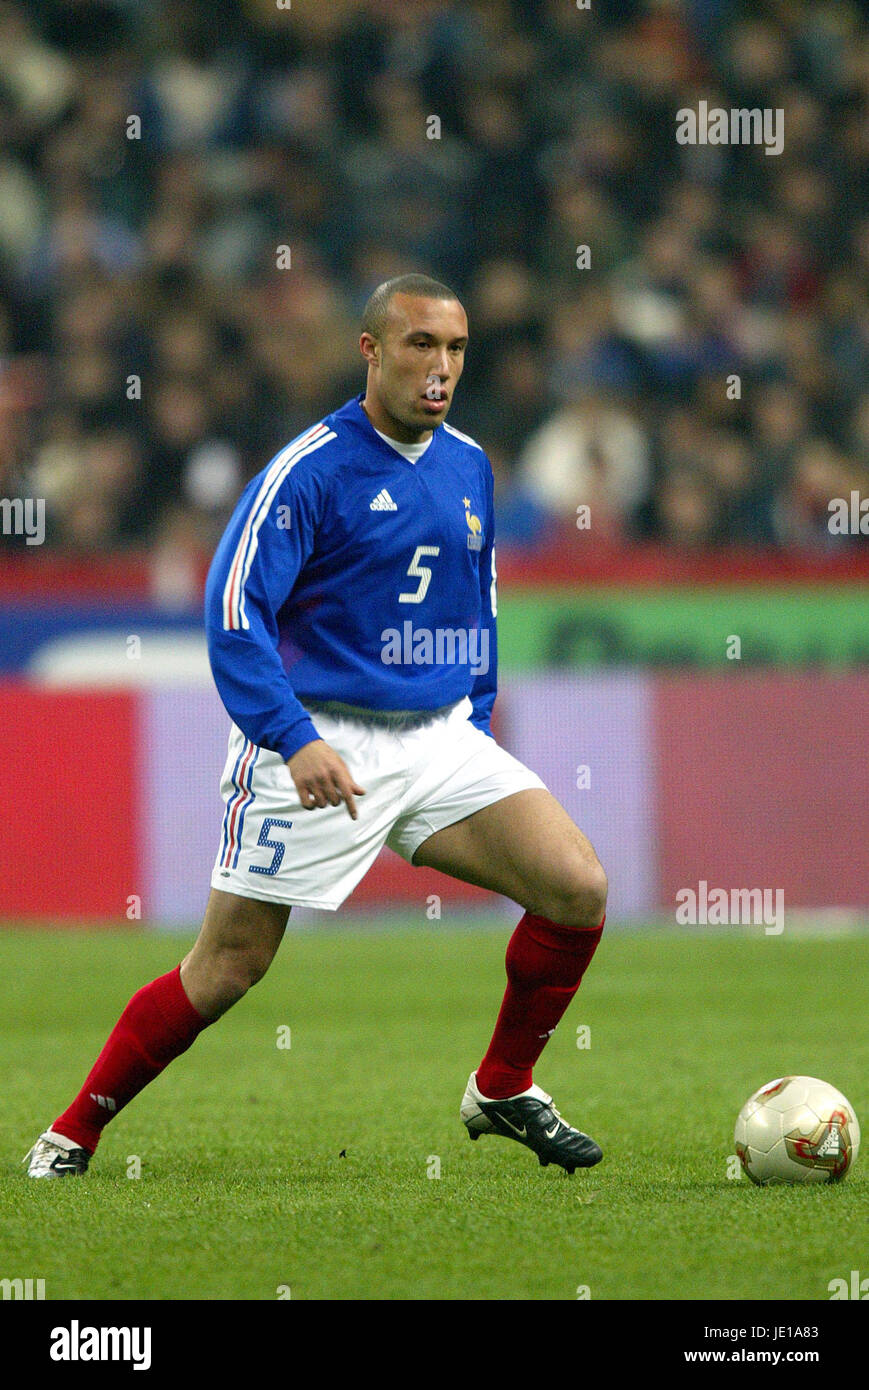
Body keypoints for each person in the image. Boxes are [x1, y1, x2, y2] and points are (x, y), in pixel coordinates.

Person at [25, 274, 607, 1179]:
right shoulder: (310, 471)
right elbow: (233, 613)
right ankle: (73, 1130)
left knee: (575, 887)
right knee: (227, 968)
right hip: (316, 735)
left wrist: (473, 720)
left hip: (438, 737)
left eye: (455, 349)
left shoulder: (469, 466)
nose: (441, 368)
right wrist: (293, 739)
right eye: (420, 345)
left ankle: (502, 1087)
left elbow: (475, 608)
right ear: (370, 351)